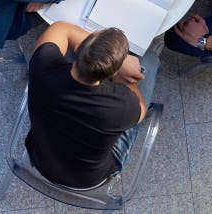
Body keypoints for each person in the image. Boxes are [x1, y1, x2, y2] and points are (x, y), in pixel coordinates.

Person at [25, 21, 160, 188]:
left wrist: (105, 56)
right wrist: (122, 71)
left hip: (41, 160)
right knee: (151, 61)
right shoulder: (122, 105)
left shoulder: (42, 65)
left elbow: (61, 28)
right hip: (90, 180)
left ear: (77, 48)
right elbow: (140, 109)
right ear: (113, 73)